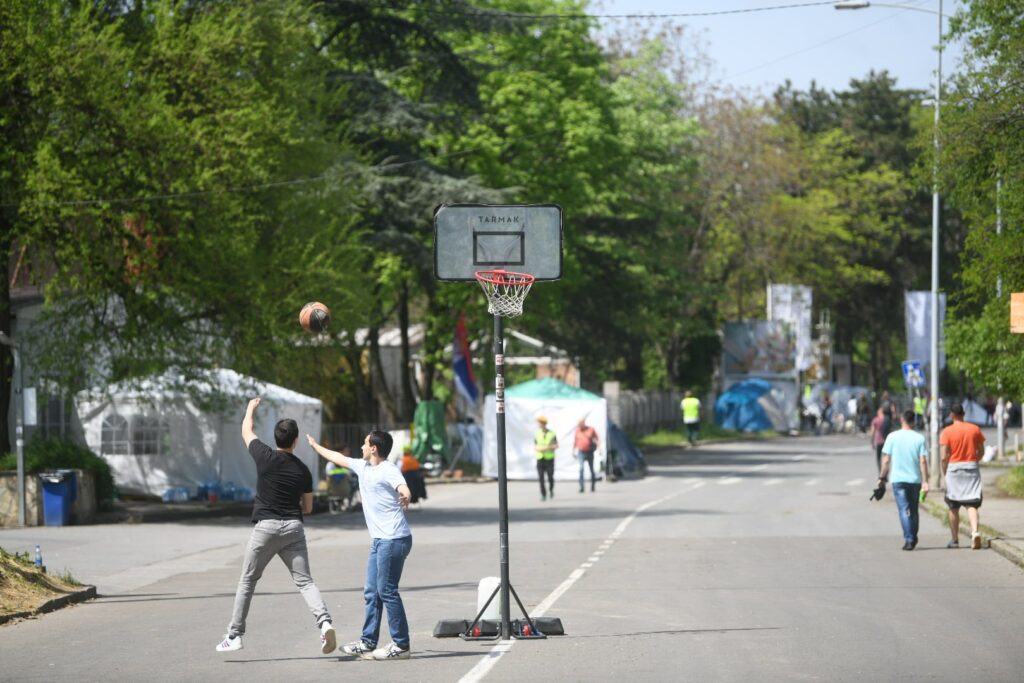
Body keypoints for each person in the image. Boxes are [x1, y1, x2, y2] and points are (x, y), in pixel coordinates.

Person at [216, 398, 336, 655]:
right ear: (295, 441)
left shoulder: (264, 456)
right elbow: (308, 508)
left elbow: (246, 430)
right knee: (305, 582)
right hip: (293, 528)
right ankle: (325, 623)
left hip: (266, 528)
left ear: (276, 438)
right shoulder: (303, 471)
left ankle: (235, 635)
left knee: (247, 581)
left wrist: (250, 408)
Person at [308, 430, 414, 660]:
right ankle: (367, 642)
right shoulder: (362, 466)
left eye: (365, 443)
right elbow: (337, 457)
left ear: (374, 448)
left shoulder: (389, 469)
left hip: (394, 539)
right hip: (380, 540)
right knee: (371, 592)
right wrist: (316, 446)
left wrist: (406, 496)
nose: (361, 447)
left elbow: (403, 487)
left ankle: (401, 645)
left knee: (387, 591)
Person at [877, 410, 930, 550]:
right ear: (913, 421)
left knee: (904, 510)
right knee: (914, 510)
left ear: (902, 420)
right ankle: (912, 536)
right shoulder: (919, 438)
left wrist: (882, 478)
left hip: (898, 480)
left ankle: (909, 538)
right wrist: (925, 481)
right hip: (915, 480)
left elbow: (886, 459)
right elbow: (923, 461)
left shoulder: (892, 437)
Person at [940, 403, 986, 550]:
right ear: (963, 414)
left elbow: (943, 456)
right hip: (971, 467)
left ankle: (954, 540)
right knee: (971, 503)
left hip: (954, 469)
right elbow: (981, 451)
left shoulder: (947, 432)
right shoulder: (974, 429)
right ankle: (975, 532)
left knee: (953, 506)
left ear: (952, 415)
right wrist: (974, 460)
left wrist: (944, 471)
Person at [534, 416, 558, 501]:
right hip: (540, 458)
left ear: (544, 423)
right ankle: (543, 494)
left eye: (540, 423)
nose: (538, 424)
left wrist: (546, 448)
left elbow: (556, 445)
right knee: (541, 478)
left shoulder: (552, 433)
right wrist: (546, 447)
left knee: (550, 477)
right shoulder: (537, 433)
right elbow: (536, 446)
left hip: (549, 459)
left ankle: (551, 490)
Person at [574, 418, 599, 493]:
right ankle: (581, 487)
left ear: (583, 423)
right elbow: (575, 441)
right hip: (581, 452)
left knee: (591, 469)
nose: (579, 426)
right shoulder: (577, 431)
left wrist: (599, 448)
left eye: (580, 424)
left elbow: (596, 439)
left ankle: (593, 486)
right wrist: (573, 451)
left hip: (589, 451)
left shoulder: (591, 429)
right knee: (581, 469)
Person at [869, 407, 887, 473]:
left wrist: (872, 442)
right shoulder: (886, 420)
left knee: (878, 458)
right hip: (886, 441)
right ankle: (885, 472)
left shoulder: (876, 420)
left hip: (879, 441)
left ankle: (880, 472)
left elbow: (872, 432)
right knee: (885, 458)